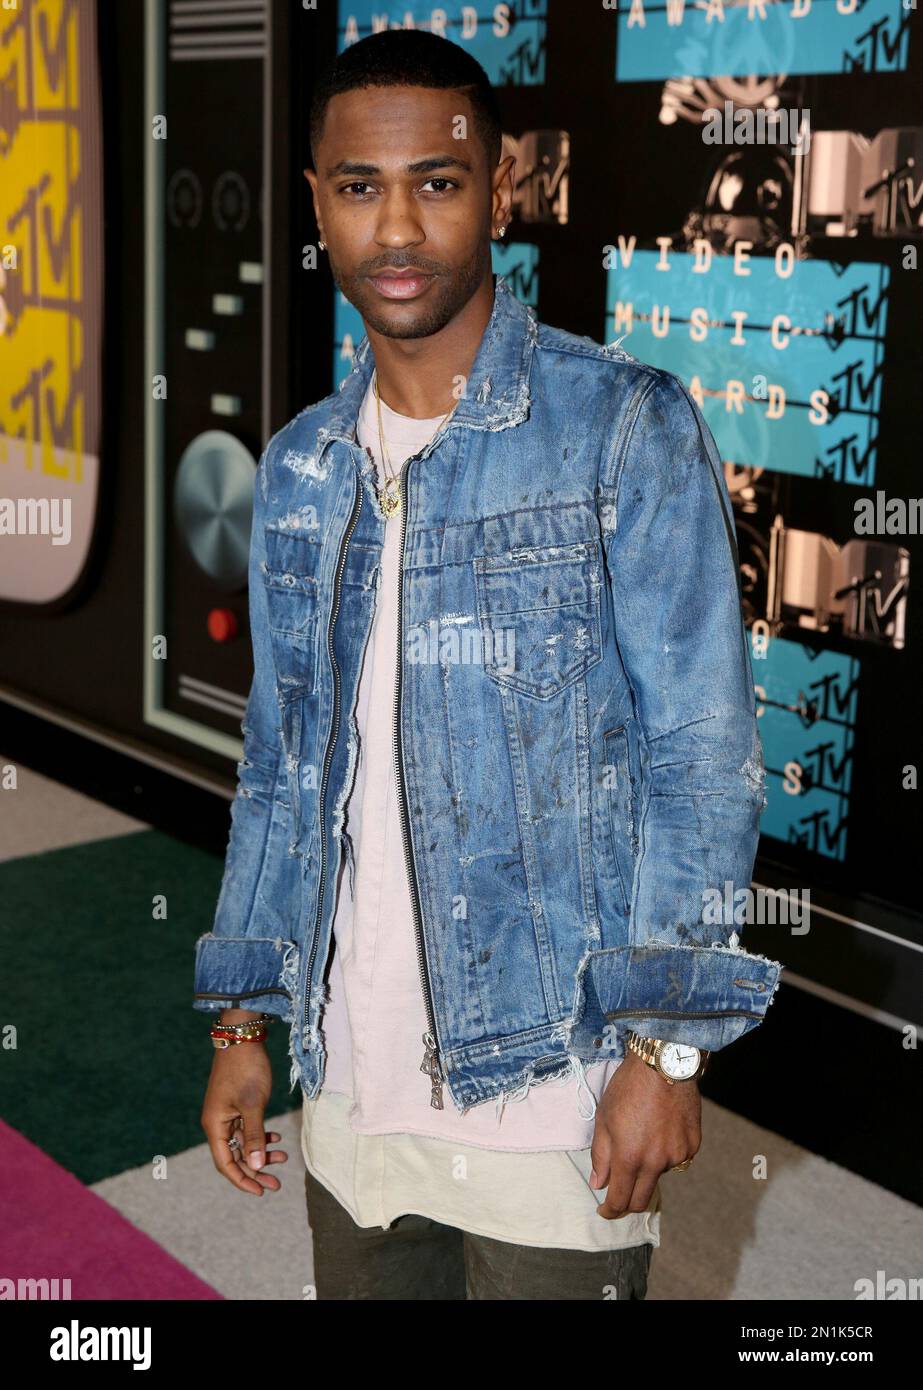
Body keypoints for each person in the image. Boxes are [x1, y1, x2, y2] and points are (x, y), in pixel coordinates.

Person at [196, 29, 782, 1301]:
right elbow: (279, 771)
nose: (396, 226)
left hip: (551, 1098)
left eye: (439, 183)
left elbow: (702, 758)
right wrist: (244, 1017)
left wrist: (664, 1052)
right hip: (352, 1088)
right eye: (359, 187)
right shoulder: (300, 468)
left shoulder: (622, 428)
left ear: (500, 188)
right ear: (317, 203)